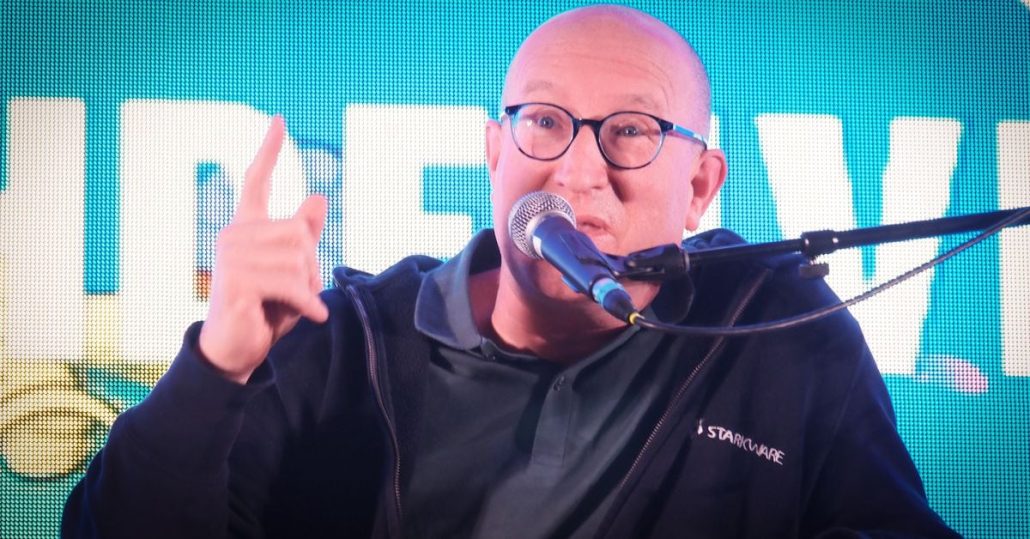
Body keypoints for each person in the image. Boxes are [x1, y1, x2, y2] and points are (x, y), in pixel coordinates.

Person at [63, 5, 958, 538]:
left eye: (631, 131)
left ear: (700, 186)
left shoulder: (775, 327)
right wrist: (215, 366)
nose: (575, 169)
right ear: (495, 154)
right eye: (544, 123)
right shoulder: (342, 340)